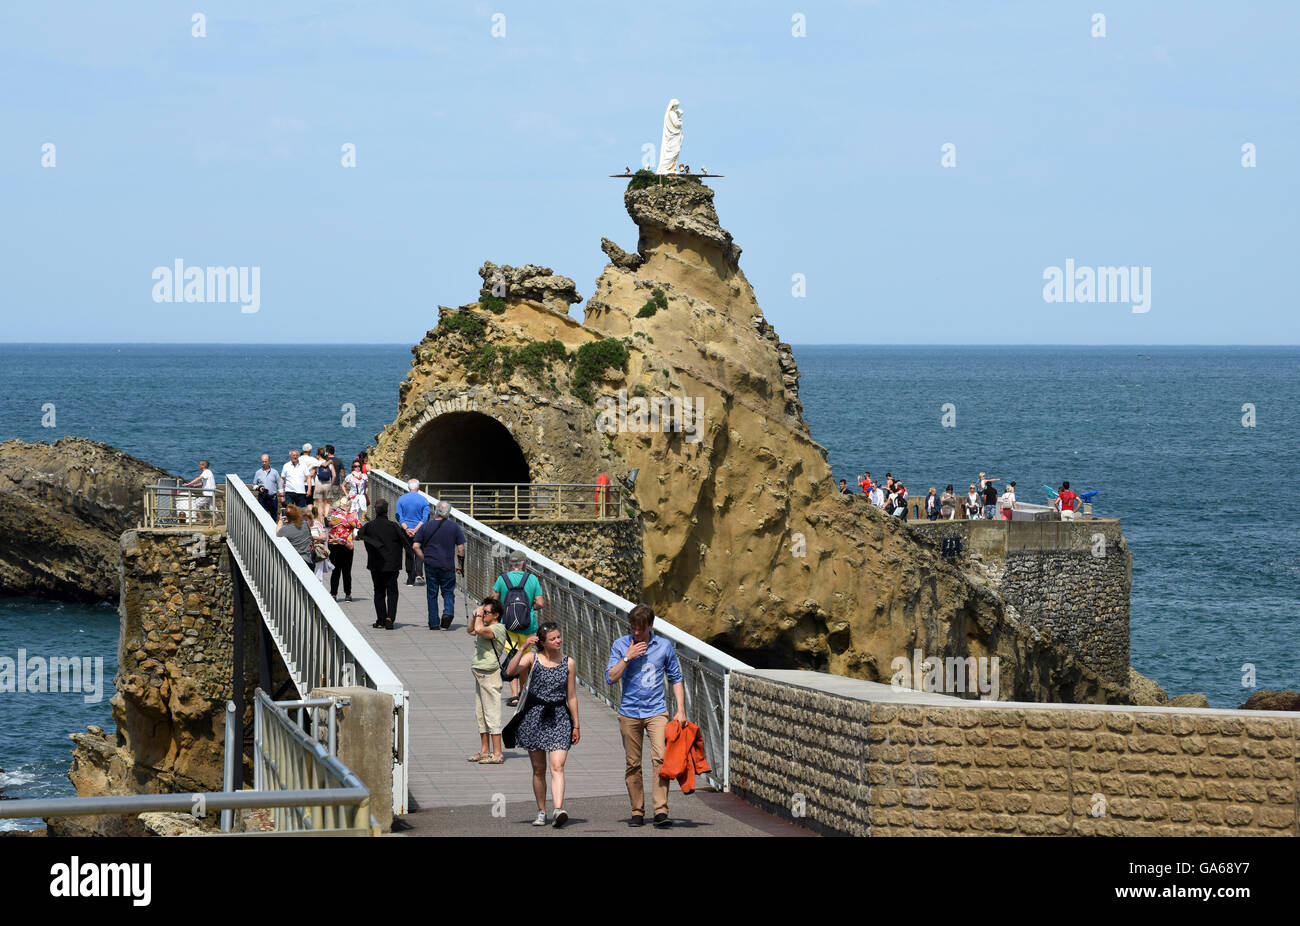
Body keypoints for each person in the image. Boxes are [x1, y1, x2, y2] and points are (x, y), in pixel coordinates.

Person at [605, 604, 685, 828]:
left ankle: (660, 810)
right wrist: (627, 657)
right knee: (633, 763)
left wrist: (680, 710)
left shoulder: (664, 646)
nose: (636, 632)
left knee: (660, 758)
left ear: (650, 626)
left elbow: (675, 678)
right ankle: (637, 810)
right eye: (633, 628)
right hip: (629, 712)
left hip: (656, 711)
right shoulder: (621, 645)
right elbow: (610, 678)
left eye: (640, 628)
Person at [507, 621, 579, 827]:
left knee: (558, 766)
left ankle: (558, 809)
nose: (558, 640)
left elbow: (572, 696)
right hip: (535, 717)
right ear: (543, 642)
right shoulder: (533, 658)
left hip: (559, 717)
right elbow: (511, 671)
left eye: (559, 637)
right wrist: (523, 648)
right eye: (553, 638)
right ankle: (541, 811)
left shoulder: (568, 663)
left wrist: (576, 725)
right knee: (539, 768)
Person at [493, 553, 547, 706]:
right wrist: (529, 607)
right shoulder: (532, 579)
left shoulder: (502, 579)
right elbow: (540, 603)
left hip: (508, 625)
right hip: (528, 626)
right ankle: (524, 692)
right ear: (525, 564)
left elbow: (494, 598)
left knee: (513, 657)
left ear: (510, 563)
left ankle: (515, 695)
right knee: (524, 660)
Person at [466, 598, 509, 766]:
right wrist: (475, 616)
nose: (484, 614)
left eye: (487, 612)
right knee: (481, 713)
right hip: (480, 674)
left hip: (490, 675)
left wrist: (478, 616)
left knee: (492, 713)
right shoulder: (484, 626)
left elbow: (478, 629)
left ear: (496, 615)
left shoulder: (497, 628)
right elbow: (471, 629)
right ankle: (485, 750)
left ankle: (497, 753)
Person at [412, 500, 466, 630]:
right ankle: (448, 612)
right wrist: (460, 565)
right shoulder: (454, 527)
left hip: (431, 564)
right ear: (448, 512)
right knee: (448, 591)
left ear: (436, 511)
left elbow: (415, 546)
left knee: (432, 593)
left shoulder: (426, 526)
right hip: (447, 565)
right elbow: (461, 549)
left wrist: (424, 559)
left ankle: (434, 623)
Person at [356, 499, 405, 629]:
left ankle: (381, 620)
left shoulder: (369, 526)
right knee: (392, 592)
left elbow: (359, 534)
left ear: (374, 510)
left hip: (375, 565)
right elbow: (404, 541)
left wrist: (373, 543)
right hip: (392, 565)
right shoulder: (393, 526)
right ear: (387, 510)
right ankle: (390, 617)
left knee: (379, 592)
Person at [396, 479, 429, 587]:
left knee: (409, 552)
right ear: (418, 488)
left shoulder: (401, 499)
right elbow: (425, 518)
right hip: (419, 530)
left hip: (405, 530)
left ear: (408, 487)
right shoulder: (424, 500)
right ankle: (419, 573)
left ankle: (410, 578)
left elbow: (398, 516)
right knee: (419, 549)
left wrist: (407, 529)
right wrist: (416, 529)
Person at [327, 495, 360, 601]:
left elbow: (329, 523)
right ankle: (347, 594)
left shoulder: (332, 514)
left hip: (333, 544)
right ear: (346, 506)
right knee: (346, 570)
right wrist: (354, 515)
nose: (350, 508)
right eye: (349, 506)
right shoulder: (349, 516)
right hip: (346, 545)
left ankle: (333, 593)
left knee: (335, 570)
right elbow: (358, 525)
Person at [251, 454, 282, 521]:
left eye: (266, 461)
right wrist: (259, 488)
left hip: (272, 498)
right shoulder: (258, 472)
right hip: (262, 497)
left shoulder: (275, 472)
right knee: (262, 517)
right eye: (262, 462)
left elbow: (279, 483)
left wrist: (282, 494)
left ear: (269, 461)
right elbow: (253, 485)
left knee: (274, 517)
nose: (264, 463)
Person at [309, 499, 331, 583]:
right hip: (307, 551)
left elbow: (324, 537)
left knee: (318, 575)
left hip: (317, 552)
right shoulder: (303, 525)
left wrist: (312, 537)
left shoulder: (317, 524)